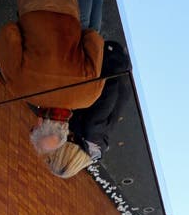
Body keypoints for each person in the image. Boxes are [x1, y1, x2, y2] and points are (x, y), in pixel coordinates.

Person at [0, 0, 105, 157]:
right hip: (33, 4)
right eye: (33, 128)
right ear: (39, 122)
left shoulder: (88, 96)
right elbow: (9, 32)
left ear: (64, 128)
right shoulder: (20, 88)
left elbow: (94, 40)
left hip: (69, 11)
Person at [43, 39, 130, 178]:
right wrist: (108, 54)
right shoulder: (90, 128)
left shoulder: (90, 145)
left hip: (113, 72)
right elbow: (110, 88)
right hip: (111, 62)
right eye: (56, 152)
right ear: (66, 151)